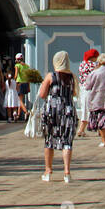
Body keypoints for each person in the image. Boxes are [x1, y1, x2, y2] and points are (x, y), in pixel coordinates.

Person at [38, 51, 78, 184]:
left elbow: (42, 94)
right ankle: (67, 172)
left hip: (52, 111)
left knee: (49, 139)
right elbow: (74, 93)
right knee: (67, 141)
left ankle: (48, 170)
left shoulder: (51, 76)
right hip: (68, 110)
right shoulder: (72, 76)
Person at [81, 53, 105, 147]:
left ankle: (104, 140)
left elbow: (87, 86)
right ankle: (104, 138)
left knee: (100, 119)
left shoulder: (94, 73)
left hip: (97, 98)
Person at [76, 48, 99, 137]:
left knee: (85, 109)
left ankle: (83, 129)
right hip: (91, 89)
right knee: (93, 109)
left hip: (83, 89)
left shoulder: (82, 64)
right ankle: (83, 129)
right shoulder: (94, 65)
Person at [14, 52, 31, 120]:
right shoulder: (27, 66)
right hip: (26, 83)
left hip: (19, 83)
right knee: (21, 99)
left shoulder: (17, 65)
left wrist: (13, 80)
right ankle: (18, 115)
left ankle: (26, 112)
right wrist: (29, 86)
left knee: (19, 100)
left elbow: (16, 75)